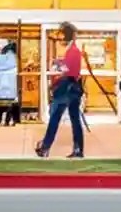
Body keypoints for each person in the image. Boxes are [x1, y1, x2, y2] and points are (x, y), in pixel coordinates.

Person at [35, 22, 84, 159]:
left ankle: (45, 147)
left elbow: (69, 71)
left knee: (55, 118)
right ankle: (78, 149)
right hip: (73, 89)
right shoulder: (73, 50)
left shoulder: (72, 51)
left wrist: (58, 75)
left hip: (66, 89)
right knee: (75, 120)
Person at [0, 41, 19, 126]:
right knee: (12, 101)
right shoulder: (15, 58)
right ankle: (9, 120)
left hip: (0, 83)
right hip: (10, 83)